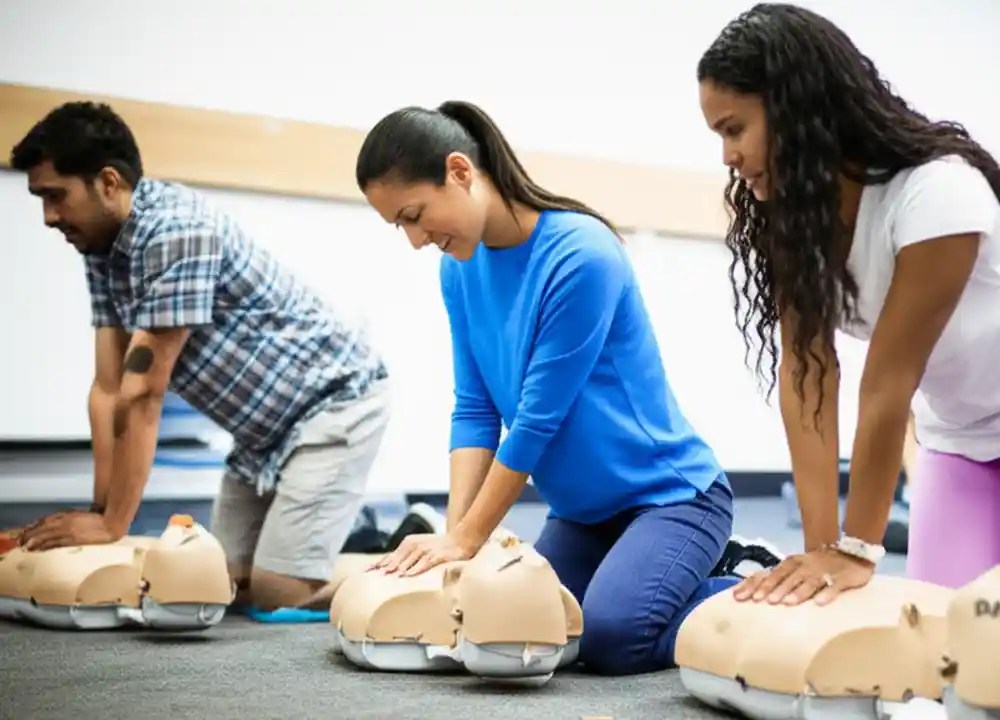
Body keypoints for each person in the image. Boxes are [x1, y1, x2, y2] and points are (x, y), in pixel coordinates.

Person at [695, 2, 1000, 704]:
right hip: (968, 443)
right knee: (943, 661)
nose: (727, 156)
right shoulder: (791, 220)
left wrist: (857, 550)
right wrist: (818, 547)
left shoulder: (936, 190)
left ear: (797, 109)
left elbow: (889, 383)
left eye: (734, 129)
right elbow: (807, 378)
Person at [355, 101, 773, 675]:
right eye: (398, 225)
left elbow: (535, 422)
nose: (414, 239)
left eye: (413, 214)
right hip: (582, 514)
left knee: (610, 640)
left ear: (459, 171)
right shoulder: (458, 269)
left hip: (672, 499)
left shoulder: (581, 254)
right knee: (528, 624)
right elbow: (475, 409)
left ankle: (748, 581)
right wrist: (456, 543)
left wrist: (467, 540)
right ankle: (659, 578)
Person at [10, 102, 392, 612]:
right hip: (264, 435)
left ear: (107, 182)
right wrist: (98, 512)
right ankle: (356, 543)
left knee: (280, 594)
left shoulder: (175, 231)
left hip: (333, 406)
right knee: (219, 584)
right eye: (41, 199)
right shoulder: (101, 249)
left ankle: (407, 555)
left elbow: (144, 390)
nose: (49, 217)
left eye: (56, 197)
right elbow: (108, 390)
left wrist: (112, 525)